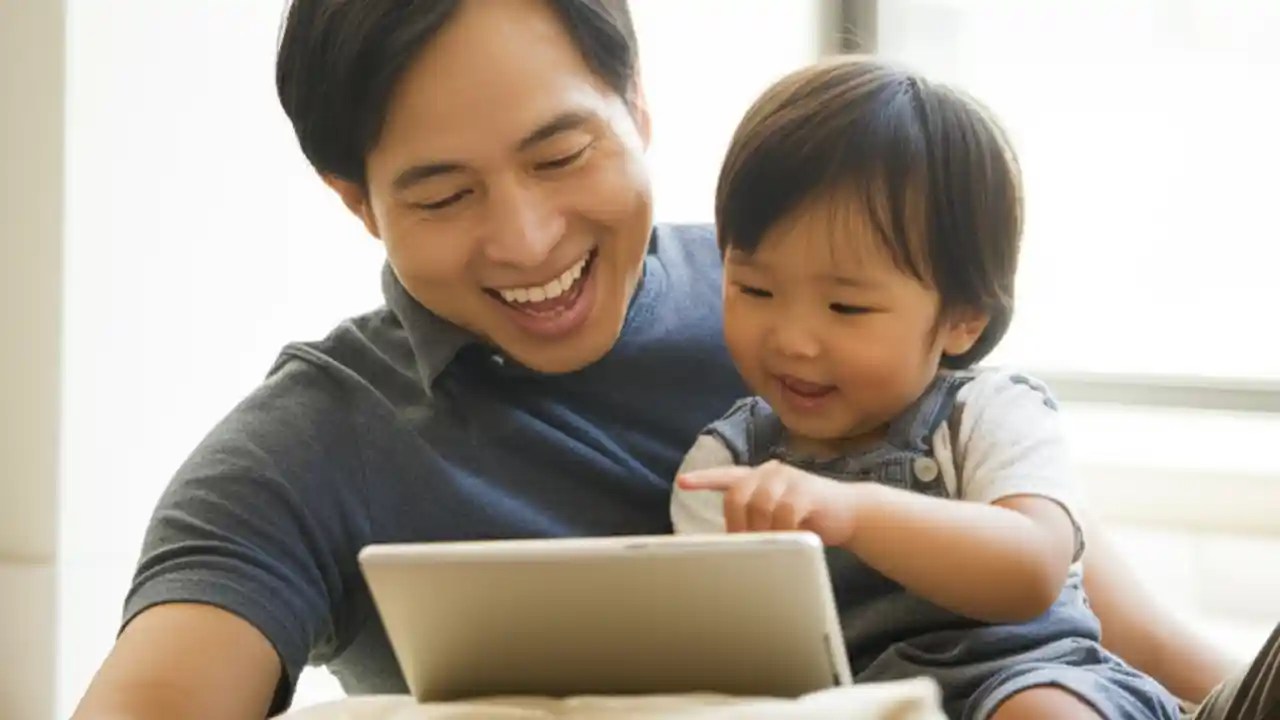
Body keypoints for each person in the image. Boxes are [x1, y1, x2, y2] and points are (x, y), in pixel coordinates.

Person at [69, 1, 1264, 719]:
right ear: (356, 202)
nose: (528, 239)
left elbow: (1107, 622)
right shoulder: (300, 456)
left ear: (637, 102)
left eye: (558, 154)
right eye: (442, 194)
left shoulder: (812, 302)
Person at [670, 56, 1181, 720]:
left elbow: (1032, 568)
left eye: (846, 308)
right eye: (755, 290)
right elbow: (720, 655)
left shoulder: (990, 414)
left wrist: (854, 514)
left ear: (963, 317)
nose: (793, 339)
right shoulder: (727, 465)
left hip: (1025, 676)